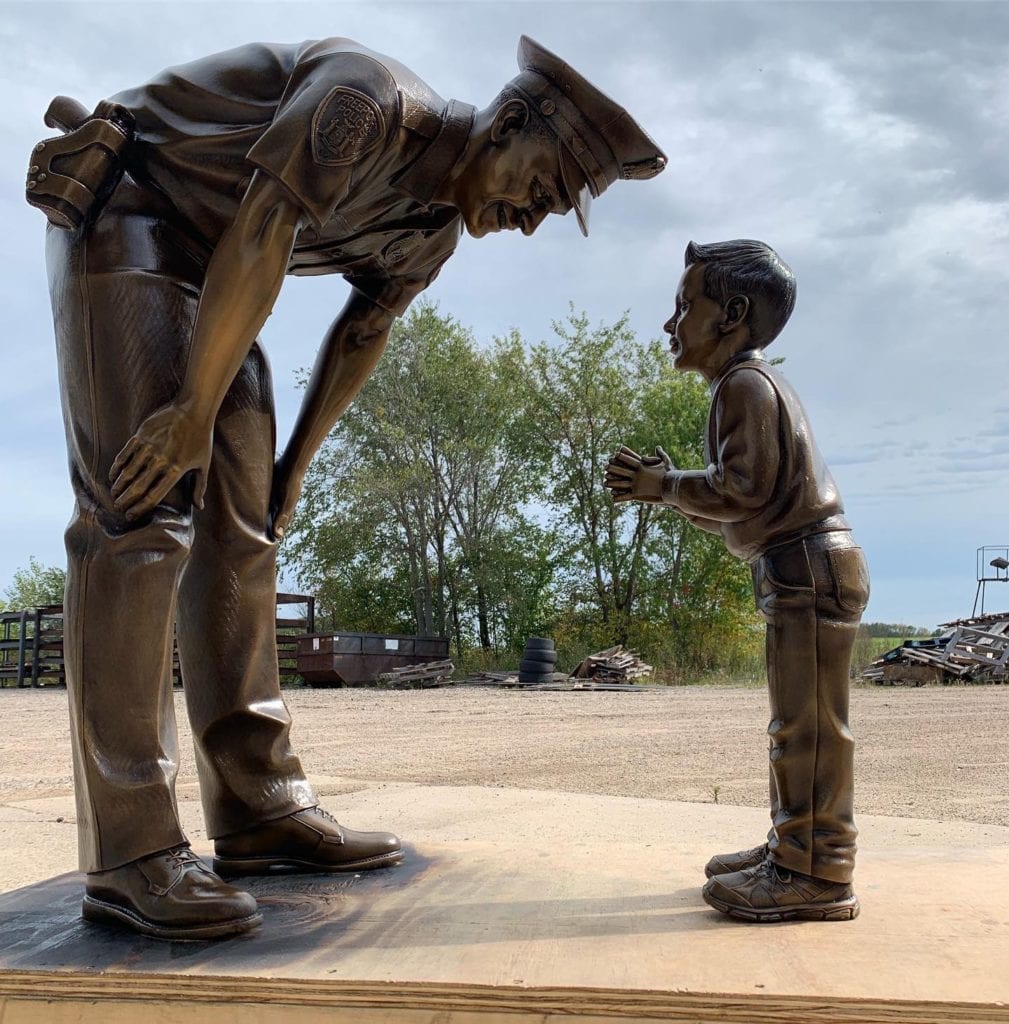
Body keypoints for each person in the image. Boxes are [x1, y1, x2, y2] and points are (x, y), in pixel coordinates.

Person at [27, 36, 665, 940]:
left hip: (214, 269)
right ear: (508, 123)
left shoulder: (431, 229)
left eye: (552, 210)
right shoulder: (365, 104)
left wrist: (289, 472)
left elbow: (363, 331)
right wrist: (188, 413)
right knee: (140, 512)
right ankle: (128, 851)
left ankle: (258, 807)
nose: (534, 219)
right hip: (128, 217)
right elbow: (264, 227)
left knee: (245, 530)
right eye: (543, 189)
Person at [604, 240, 869, 923]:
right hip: (800, 570)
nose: (670, 323)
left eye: (684, 305)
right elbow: (741, 506)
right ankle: (793, 847)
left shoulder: (746, 385)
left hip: (807, 573)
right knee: (796, 726)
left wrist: (665, 485)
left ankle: (815, 871)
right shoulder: (743, 385)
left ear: (731, 314)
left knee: (808, 731)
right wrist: (670, 491)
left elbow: (741, 490)